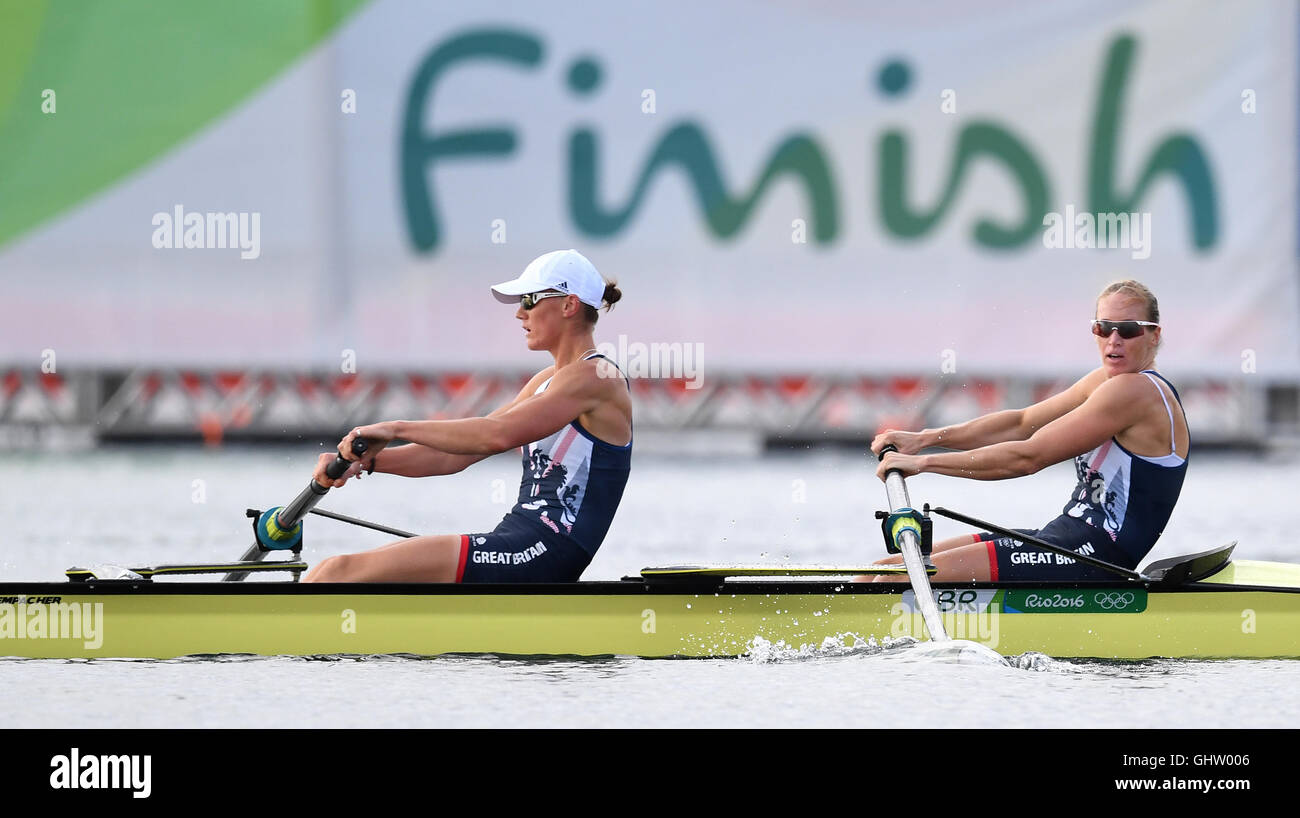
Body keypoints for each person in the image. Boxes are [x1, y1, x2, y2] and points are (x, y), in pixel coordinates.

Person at [303, 249, 631, 583]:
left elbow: (495, 434)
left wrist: (395, 428)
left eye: (529, 300)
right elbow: (452, 456)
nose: (520, 313)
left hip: (546, 550)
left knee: (336, 573)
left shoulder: (597, 376)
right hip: (518, 543)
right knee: (330, 572)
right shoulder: (544, 382)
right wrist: (366, 462)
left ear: (568, 305)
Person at [869, 279, 1187, 582]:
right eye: (1103, 328)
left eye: (1128, 330)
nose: (1113, 340)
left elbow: (1028, 457)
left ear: (1154, 335)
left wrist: (924, 464)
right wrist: (924, 439)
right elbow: (1021, 423)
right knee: (881, 571)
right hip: (1063, 539)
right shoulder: (1106, 381)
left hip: (1097, 557)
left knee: (888, 578)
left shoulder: (1137, 392)